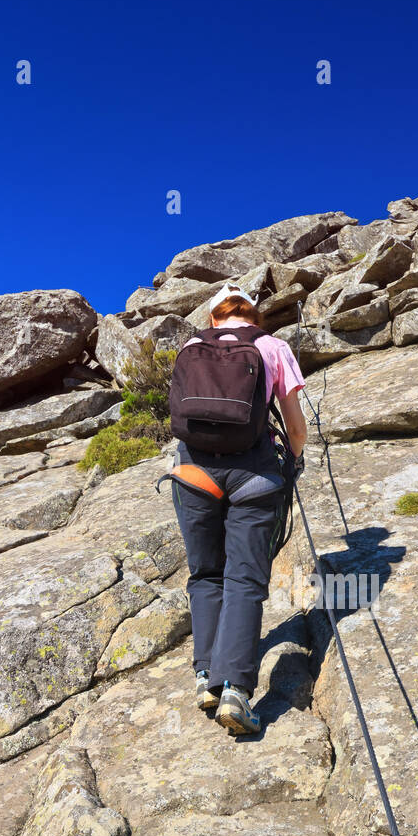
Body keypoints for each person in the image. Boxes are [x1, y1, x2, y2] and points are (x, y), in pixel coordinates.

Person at [169, 281, 308, 735]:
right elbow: (294, 423)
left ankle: (206, 677)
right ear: (253, 313)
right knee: (245, 579)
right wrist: (296, 458)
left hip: (192, 474)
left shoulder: (191, 345)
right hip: (254, 476)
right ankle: (236, 690)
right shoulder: (272, 346)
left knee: (205, 573)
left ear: (214, 317)